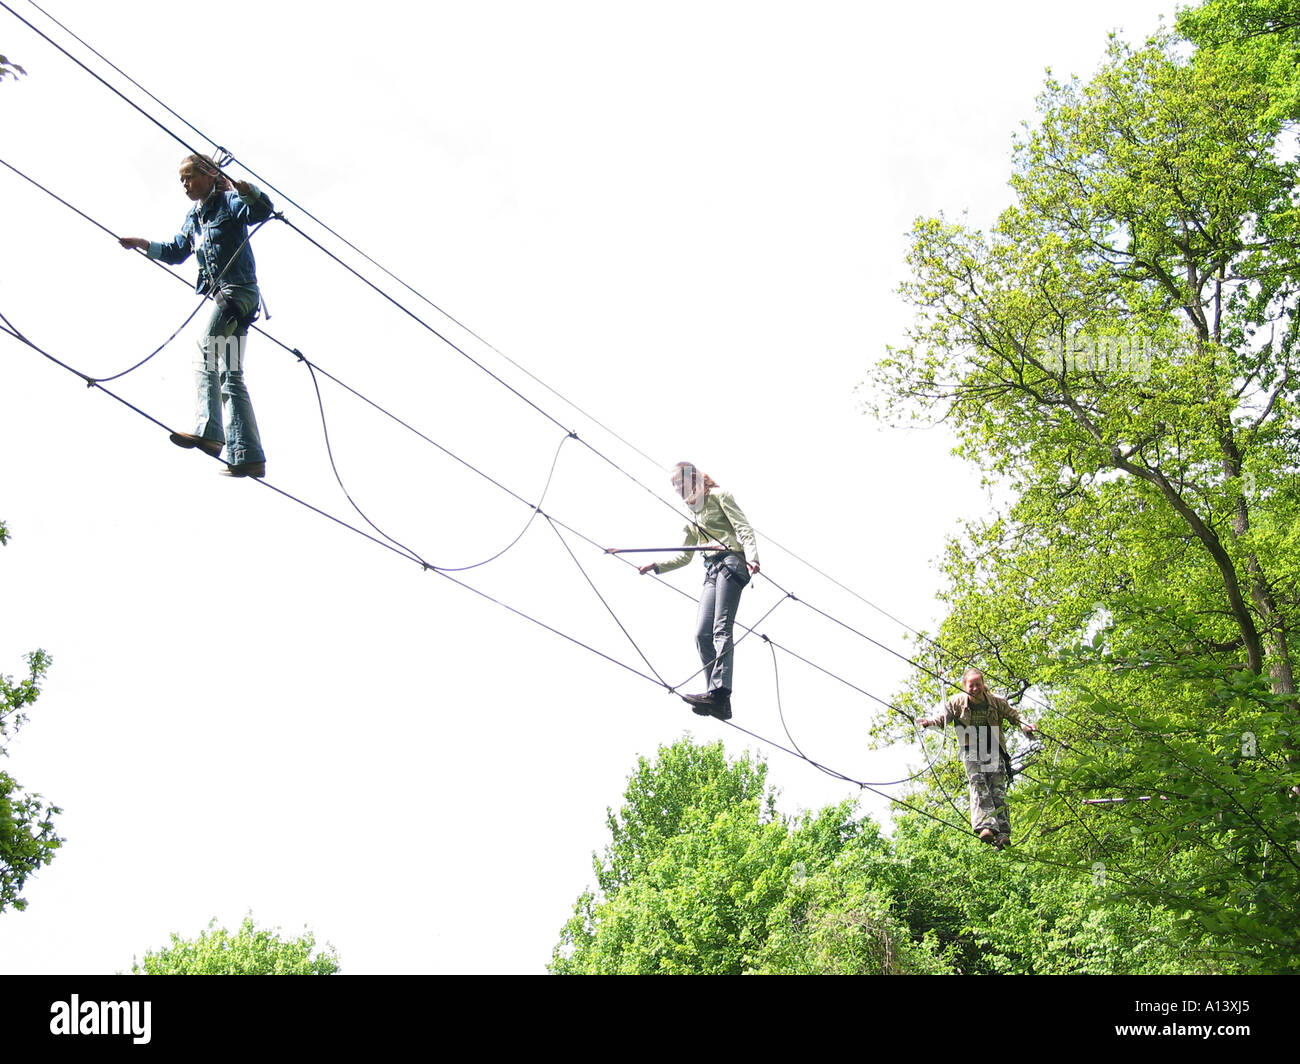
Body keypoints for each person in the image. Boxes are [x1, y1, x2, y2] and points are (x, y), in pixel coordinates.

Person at [119, 154, 274, 478]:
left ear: (209, 175)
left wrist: (249, 191)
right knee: (230, 373)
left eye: (189, 178)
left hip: (237, 295)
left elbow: (260, 211)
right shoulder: (195, 218)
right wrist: (142, 244)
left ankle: (209, 431)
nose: (185, 185)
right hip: (231, 302)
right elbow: (177, 250)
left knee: (207, 352)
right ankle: (248, 456)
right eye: (182, 180)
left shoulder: (228, 202)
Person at [640, 462, 759, 720]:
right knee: (701, 634)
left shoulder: (719, 497)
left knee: (720, 629)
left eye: (679, 483)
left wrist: (752, 557)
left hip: (732, 562)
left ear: (693, 477)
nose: (677, 490)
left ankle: (720, 692)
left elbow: (743, 528)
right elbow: (685, 557)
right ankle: (717, 699)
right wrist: (656, 566)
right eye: (674, 486)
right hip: (711, 572)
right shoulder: (692, 518)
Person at [918, 668, 1037, 849]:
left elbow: (1015, 716)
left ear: (983, 684)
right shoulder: (956, 702)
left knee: (997, 787)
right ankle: (986, 826)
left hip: (993, 746)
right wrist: (928, 722)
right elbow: (943, 718)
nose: (974, 688)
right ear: (965, 686)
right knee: (978, 782)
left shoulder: (996, 702)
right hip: (970, 746)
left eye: (977, 684)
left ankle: (1003, 832)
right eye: (970, 685)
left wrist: (1025, 726)